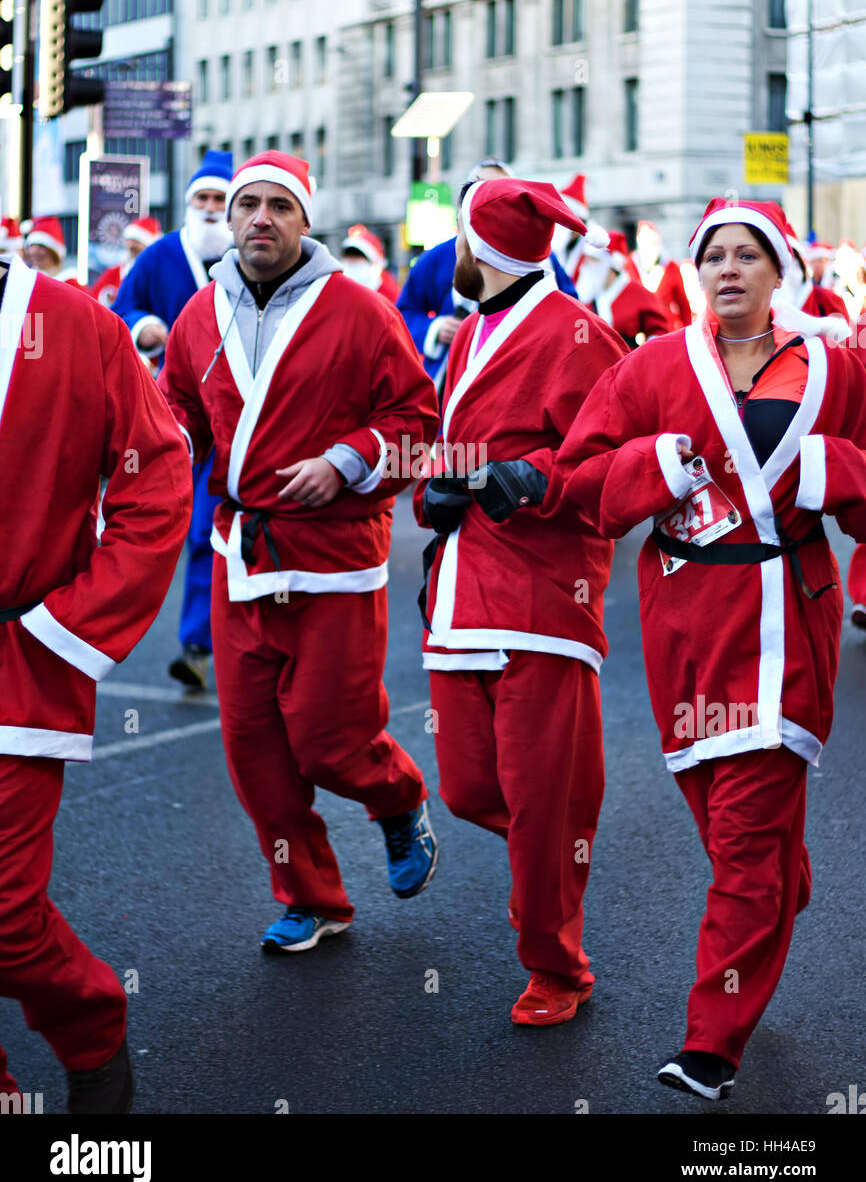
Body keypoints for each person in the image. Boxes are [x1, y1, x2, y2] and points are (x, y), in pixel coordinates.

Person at [551, 197, 863, 1100]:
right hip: (682, 618)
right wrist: (657, 464)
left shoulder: (838, 371)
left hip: (785, 615)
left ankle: (710, 1045)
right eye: (714, 256)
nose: (728, 269)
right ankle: (777, 876)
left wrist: (834, 471)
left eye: (748, 256)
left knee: (743, 838)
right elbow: (579, 484)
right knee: (725, 822)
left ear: (780, 274)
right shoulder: (651, 366)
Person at [158, 151, 441, 953]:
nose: (259, 219)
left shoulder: (358, 311)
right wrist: (164, 447)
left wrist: (345, 461)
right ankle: (313, 897)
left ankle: (397, 799)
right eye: (247, 204)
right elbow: (176, 410)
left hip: (334, 555)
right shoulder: (199, 314)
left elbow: (416, 421)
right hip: (240, 551)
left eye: (279, 206)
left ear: (303, 220)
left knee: (329, 737)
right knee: (253, 748)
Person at [414, 177, 626, 1026]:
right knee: (468, 788)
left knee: (540, 800)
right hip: (464, 594)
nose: (451, 257)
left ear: (483, 248)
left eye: (460, 239)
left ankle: (558, 966)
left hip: (542, 599)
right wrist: (437, 482)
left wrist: (534, 479)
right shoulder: (472, 333)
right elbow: (455, 444)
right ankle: (554, 858)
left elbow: (615, 460)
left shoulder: (582, 335)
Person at [0, 246, 192, 1113]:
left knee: (4, 916)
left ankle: (92, 1029)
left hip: (19, 667)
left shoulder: (76, 325)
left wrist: (69, 630)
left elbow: (157, 478)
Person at [113, 150, 234, 691]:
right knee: (180, 528)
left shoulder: (253, 255)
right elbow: (121, 308)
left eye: (218, 200)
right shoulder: (162, 255)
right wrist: (145, 327)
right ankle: (194, 640)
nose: (210, 209)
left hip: (240, 416)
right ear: (188, 204)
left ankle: (206, 643)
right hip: (175, 412)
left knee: (214, 530)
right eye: (202, 199)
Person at [398, 159, 577, 392]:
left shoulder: (541, 257)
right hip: (451, 374)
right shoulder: (438, 257)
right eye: (480, 188)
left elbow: (571, 311)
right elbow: (404, 314)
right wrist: (434, 329)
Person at [575, 226, 672, 346]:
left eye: (594, 260)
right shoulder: (585, 297)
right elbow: (580, 339)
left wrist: (645, 356)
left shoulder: (638, 293)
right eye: (587, 260)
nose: (586, 266)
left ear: (611, 266)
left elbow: (660, 332)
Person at [626, 219, 693, 329]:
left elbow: (683, 305)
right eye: (646, 243)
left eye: (654, 243)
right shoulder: (629, 265)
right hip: (637, 331)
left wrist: (687, 331)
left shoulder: (670, 266)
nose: (650, 248)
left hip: (666, 328)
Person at [91, 215, 162, 308]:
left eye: (136, 242)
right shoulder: (115, 271)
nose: (131, 246)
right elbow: (94, 296)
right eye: (129, 241)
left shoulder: (158, 273)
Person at [340, 225, 399, 303]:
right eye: (349, 256)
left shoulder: (387, 291)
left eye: (360, 257)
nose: (353, 261)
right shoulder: (334, 289)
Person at [21, 216, 78, 284]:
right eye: (31, 246)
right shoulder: (26, 280)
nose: (33, 252)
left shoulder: (69, 281)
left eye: (41, 247)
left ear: (55, 252)